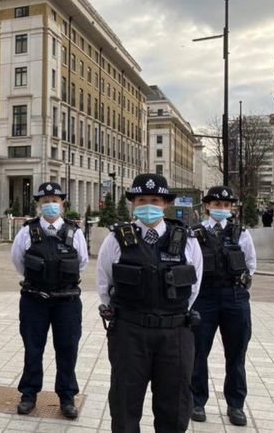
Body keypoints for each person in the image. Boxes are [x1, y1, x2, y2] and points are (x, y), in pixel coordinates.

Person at [96, 173, 203, 432]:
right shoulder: (116, 239)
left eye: (155, 199)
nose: (148, 205)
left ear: (165, 203)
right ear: (133, 203)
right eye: (142, 199)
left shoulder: (186, 239)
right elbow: (104, 284)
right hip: (130, 333)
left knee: (174, 408)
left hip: (175, 334)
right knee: (124, 405)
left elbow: (194, 286)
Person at [11, 182, 89, 418]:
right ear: (39, 204)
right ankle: (29, 394)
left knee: (67, 349)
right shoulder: (27, 231)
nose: (50, 205)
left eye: (54, 200)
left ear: (62, 203)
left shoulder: (74, 232)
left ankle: (67, 397)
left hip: (67, 302)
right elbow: (18, 262)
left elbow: (82, 263)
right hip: (34, 300)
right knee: (33, 348)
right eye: (45, 201)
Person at [190, 186, 256, 426]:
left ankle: (235, 404)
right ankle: (196, 401)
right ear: (207, 206)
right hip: (204, 296)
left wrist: (238, 290)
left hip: (234, 296)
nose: (222, 209)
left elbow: (250, 263)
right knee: (198, 351)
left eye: (226, 206)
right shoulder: (194, 233)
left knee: (236, 353)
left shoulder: (241, 234)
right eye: (217, 205)